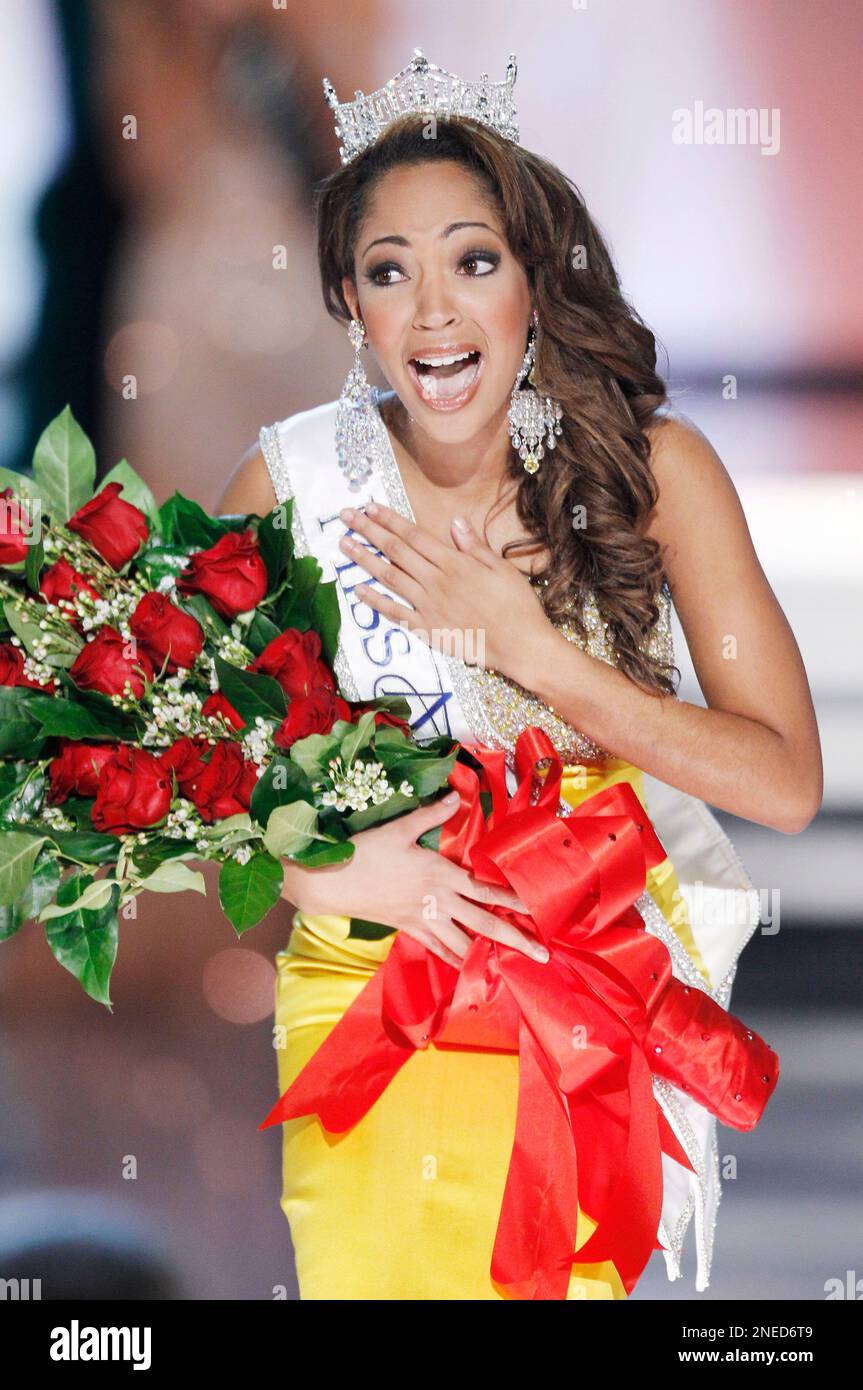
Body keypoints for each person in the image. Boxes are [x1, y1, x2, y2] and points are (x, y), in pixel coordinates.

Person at [218, 51, 822, 1301]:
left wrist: (534, 652)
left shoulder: (652, 471)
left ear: (535, 280)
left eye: (473, 262)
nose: (433, 313)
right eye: (390, 271)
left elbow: (782, 782)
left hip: (585, 990)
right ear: (348, 301)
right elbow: (184, 777)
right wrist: (317, 866)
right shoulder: (290, 482)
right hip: (368, 994)